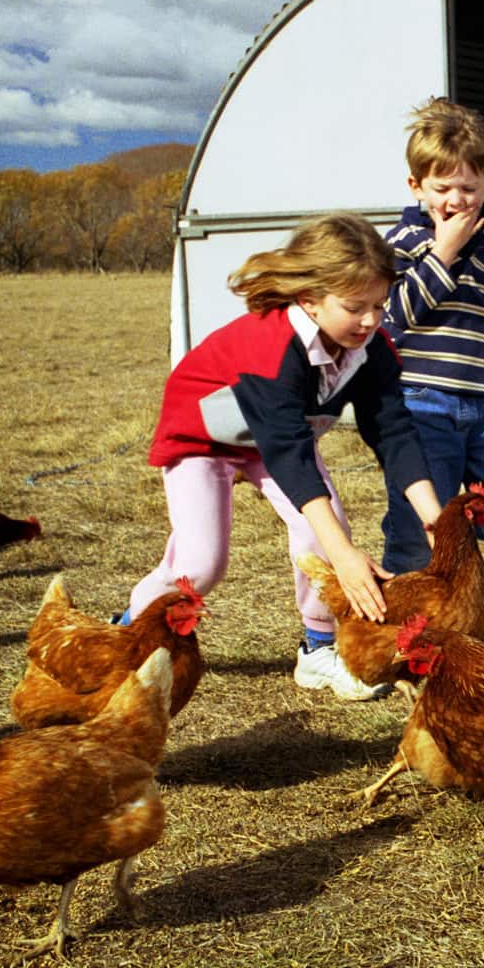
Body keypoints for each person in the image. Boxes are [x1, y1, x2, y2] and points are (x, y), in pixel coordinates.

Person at [124, 211, 445, 699]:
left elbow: (394, 430)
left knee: (324, 526)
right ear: (310, 300)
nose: (372, 320)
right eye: (356, 305)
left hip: (277, 436)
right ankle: (127, 636)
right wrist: (345, 556)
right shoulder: (269, 346)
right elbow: (289, 454)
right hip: (203, 438)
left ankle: (317, 651)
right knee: (201, 563)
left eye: (380, 304)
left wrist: (437, 519)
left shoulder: (370, 346)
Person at [379, 97, 484, 630]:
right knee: (419, 524)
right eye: (442, 188)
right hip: (423, 407)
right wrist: (443, 254)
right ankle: (404, 635)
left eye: (469, 189)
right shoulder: (401, 244)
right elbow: (390, 317)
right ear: (415, 187)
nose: (456, 200)